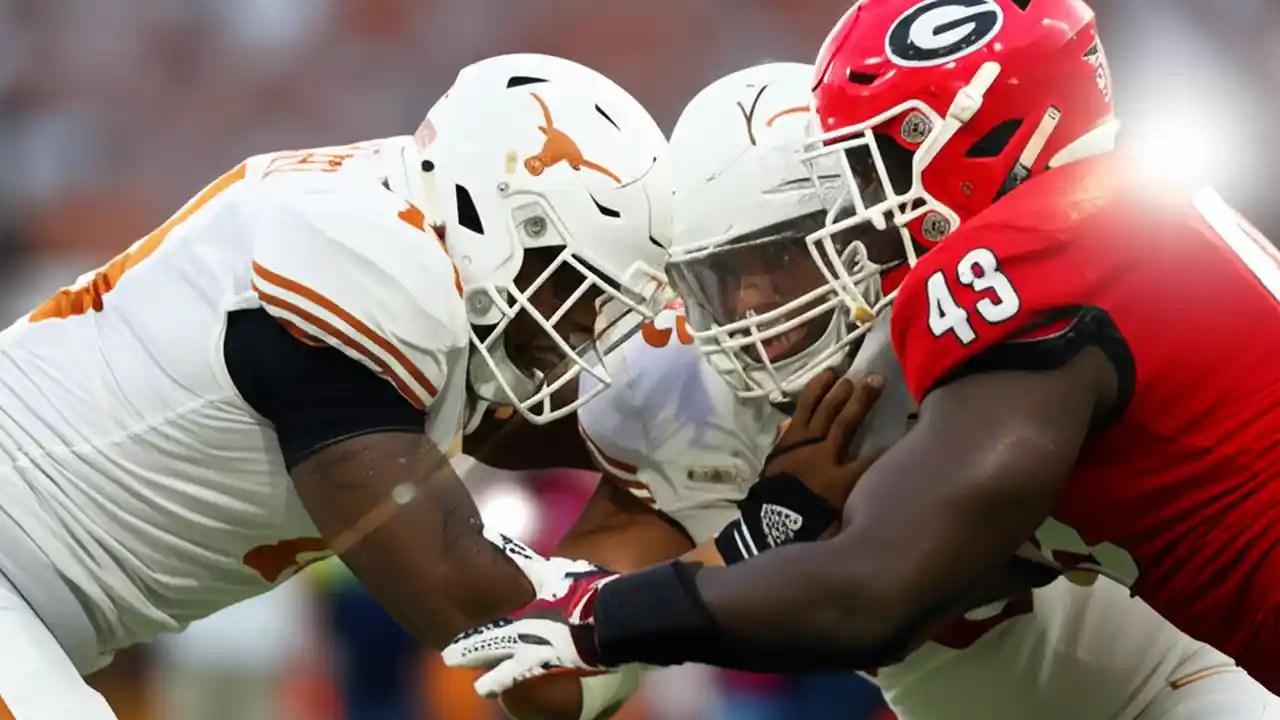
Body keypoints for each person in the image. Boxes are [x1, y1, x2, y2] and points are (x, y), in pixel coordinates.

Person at [441, 0, 1280, 704]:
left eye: (781, 254)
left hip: (1183, 677)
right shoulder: (675, 386)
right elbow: (550, 684)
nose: (754, 302)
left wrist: (633, 601)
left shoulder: (994, 278)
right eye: (719, 275)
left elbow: (885, 589)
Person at [0, 53, 670, 719]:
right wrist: (688, 591)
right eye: (576, 289)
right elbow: (487, 623)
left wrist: (702, 451)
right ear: (501, 223)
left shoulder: (408, 247)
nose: (580, 330)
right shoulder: (365, 269)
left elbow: (550, 429)